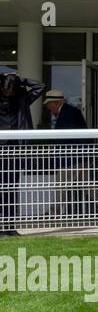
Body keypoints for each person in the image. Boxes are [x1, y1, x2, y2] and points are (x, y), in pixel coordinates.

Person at [0, 72, 44, 235]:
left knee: (11, 188)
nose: (8, 93)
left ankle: (10, 227)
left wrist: (21, 79)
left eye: (11, 90)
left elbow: (40, 86)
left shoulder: (22, 97)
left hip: (14, 148)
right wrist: (2, 75)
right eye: (5, 90)